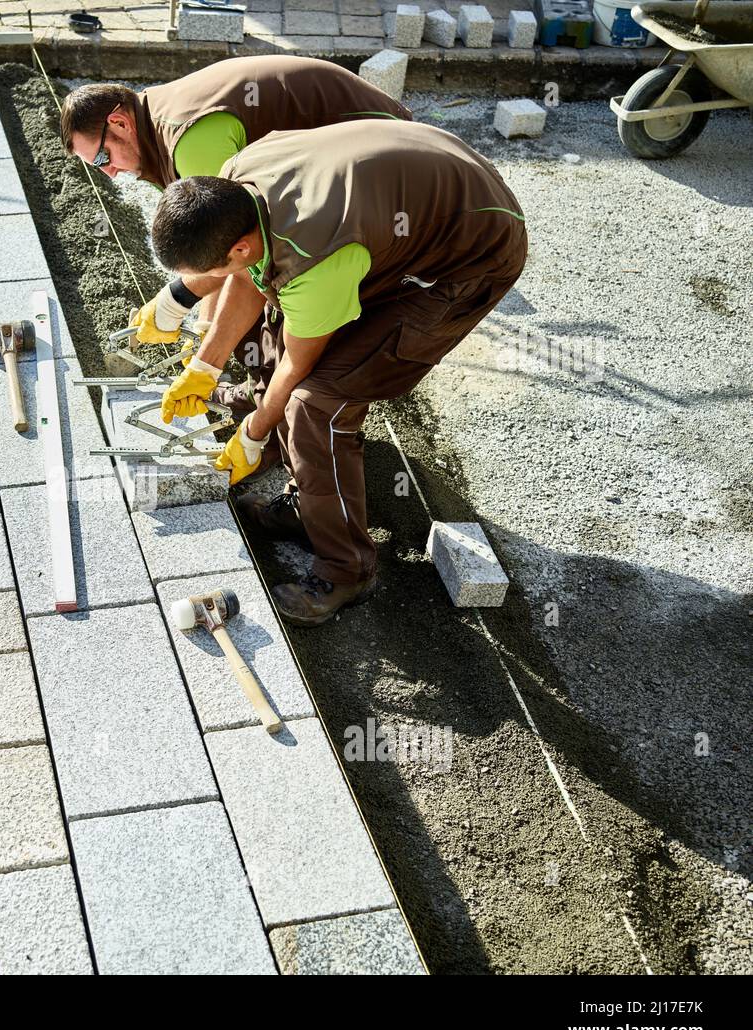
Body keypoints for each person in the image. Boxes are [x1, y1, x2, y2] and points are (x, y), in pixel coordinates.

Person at [148, 120, 528, 626]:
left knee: (319, 401)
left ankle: (347, 569)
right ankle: (308, 502)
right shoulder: (235, 184)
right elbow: (248, 275)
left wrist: (255, 433)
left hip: (471, 255)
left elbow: (296, 367)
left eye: (211, 272)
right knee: (289, 341)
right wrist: (204, 365)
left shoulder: (315, 256)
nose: (210, 285)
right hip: (423, 194)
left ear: (237, 246)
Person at [60, 56, 412, 343]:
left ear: (119, 123)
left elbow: (242, 247)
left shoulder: (190, 144)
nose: (109, 173)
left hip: (390, 157)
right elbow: (213, 240)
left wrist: (177, 301)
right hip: (342, 157)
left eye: (103, 158)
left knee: (304, 289)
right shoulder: (152, 124)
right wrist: (204, 330)